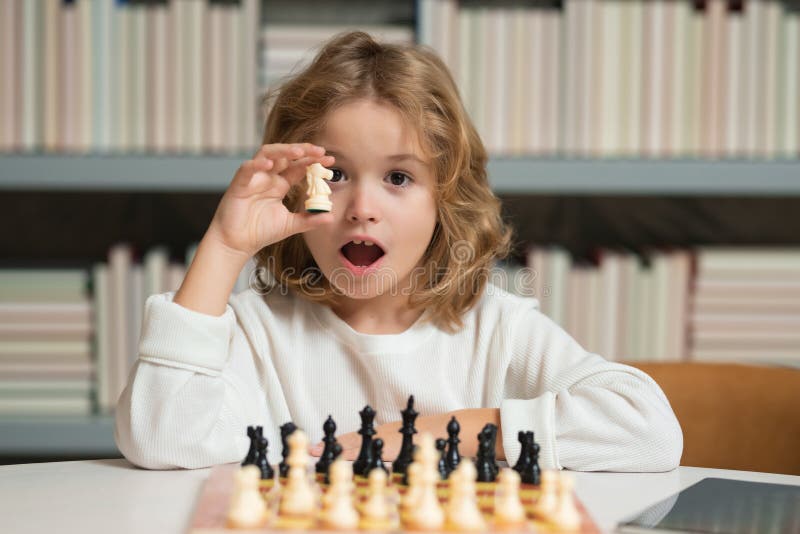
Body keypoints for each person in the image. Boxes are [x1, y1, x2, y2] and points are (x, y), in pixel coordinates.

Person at [114, 31, 682, 472]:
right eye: (333, 175)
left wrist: (431, 434)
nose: (362, 207)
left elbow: (649, 429)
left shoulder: (496, 332)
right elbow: (160, 437)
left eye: (399, 178)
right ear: (293, 189)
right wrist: (224, 245)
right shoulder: (258, 335)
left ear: (446, 199)